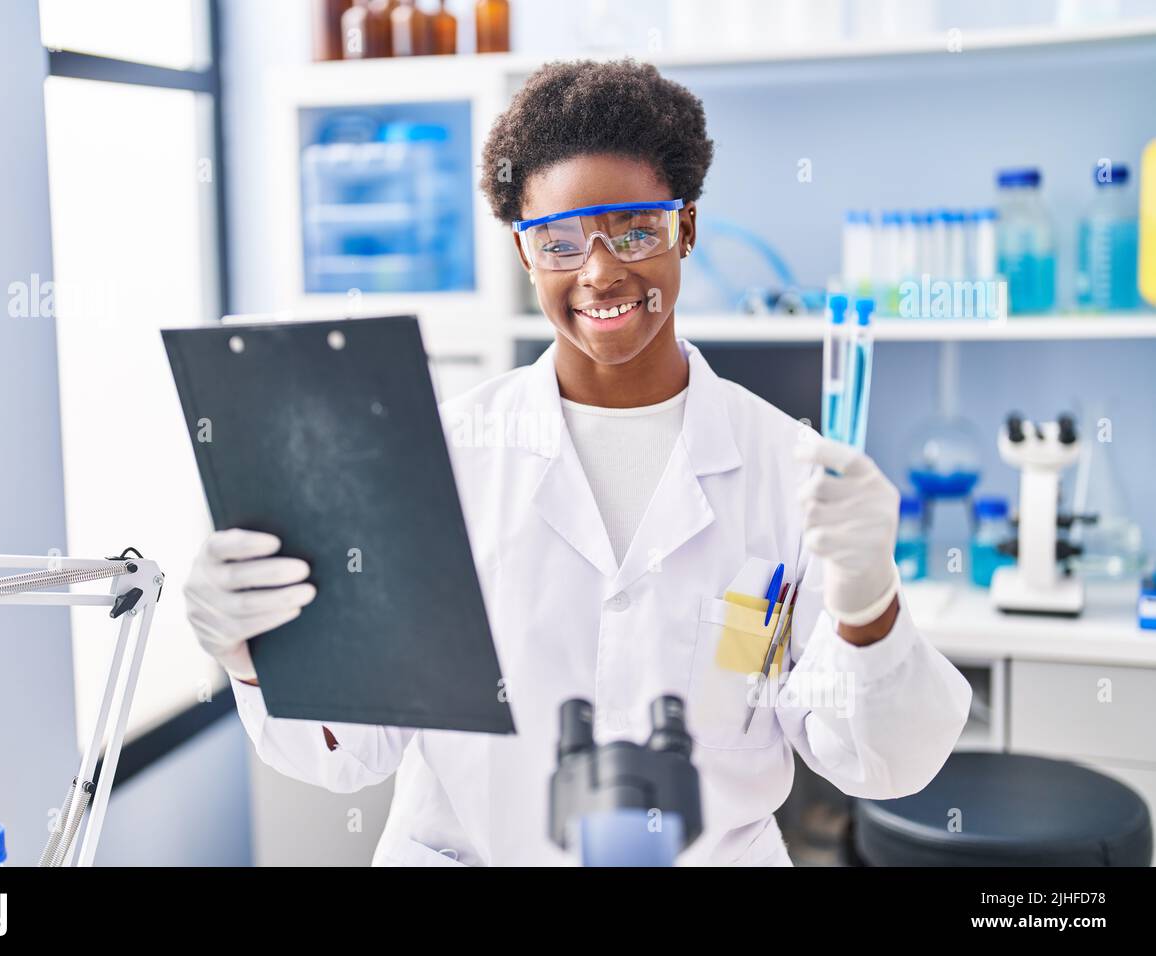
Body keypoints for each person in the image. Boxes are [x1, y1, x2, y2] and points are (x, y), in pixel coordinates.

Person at [183, 59, 971, 866]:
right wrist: (252, 654)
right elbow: (351, 749)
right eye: (558, 241)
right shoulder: (437, 463)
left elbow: (882, 763)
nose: (599, 271)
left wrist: (868, 604)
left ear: (686, 228)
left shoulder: (790, 469)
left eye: (635, 229)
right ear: (525, 257)